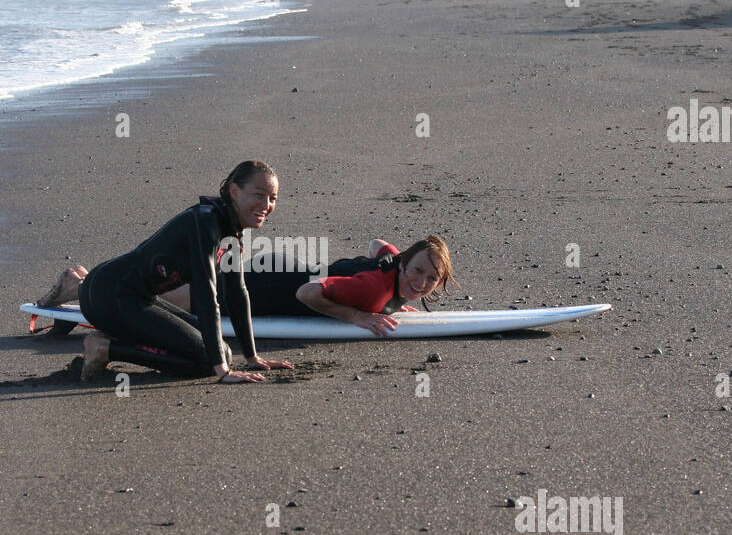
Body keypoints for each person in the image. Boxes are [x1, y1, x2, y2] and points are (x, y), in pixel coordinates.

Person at [72, 160, 294, 383]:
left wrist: (251, 356)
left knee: (222, 352)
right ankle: (105, 348)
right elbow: (206, 294)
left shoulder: (231, 230)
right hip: (108, 294)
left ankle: (109, 343)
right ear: (235, 191)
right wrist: (223, 372)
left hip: (134, 296)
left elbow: (237, 293)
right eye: (259, 195)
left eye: (272, 198)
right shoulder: (205, 222)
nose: (266, 204)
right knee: (210, 360)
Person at [39, 235, 456, 340]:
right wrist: (360, 315)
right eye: (416, 270)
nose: (419, 282)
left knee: (163, 285)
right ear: (403, 261)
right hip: (265, 286)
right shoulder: (372, 291)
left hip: (276, 267)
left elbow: (376, 245)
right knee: (153, 294)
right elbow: (307, 295)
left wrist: (400, 296)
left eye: (429, 279)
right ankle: (80, 284)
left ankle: (83, 284)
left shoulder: (394, 264)